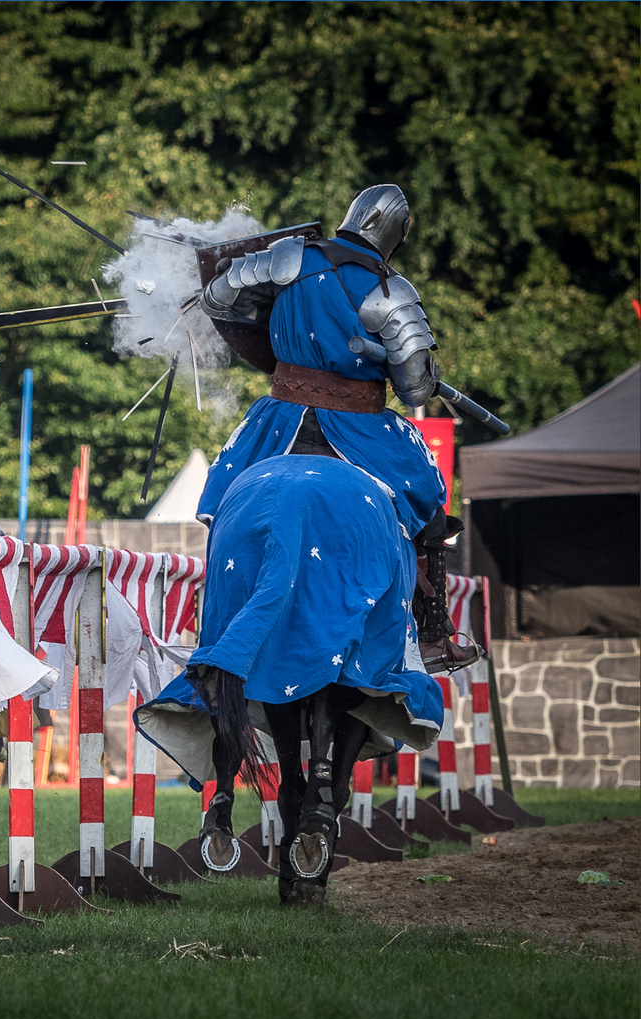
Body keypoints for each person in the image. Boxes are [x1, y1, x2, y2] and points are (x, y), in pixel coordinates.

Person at [196, 183, 477, 673]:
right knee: (427, 498)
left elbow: (217, 299)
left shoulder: (285, 258)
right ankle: (432, 636)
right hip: (361, 431)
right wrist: (421, 373)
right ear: (392, 232)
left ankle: (215, 624)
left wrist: (269, 315)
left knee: (227, 500)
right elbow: (412, 391)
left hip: (278, 422)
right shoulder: (391, 291)